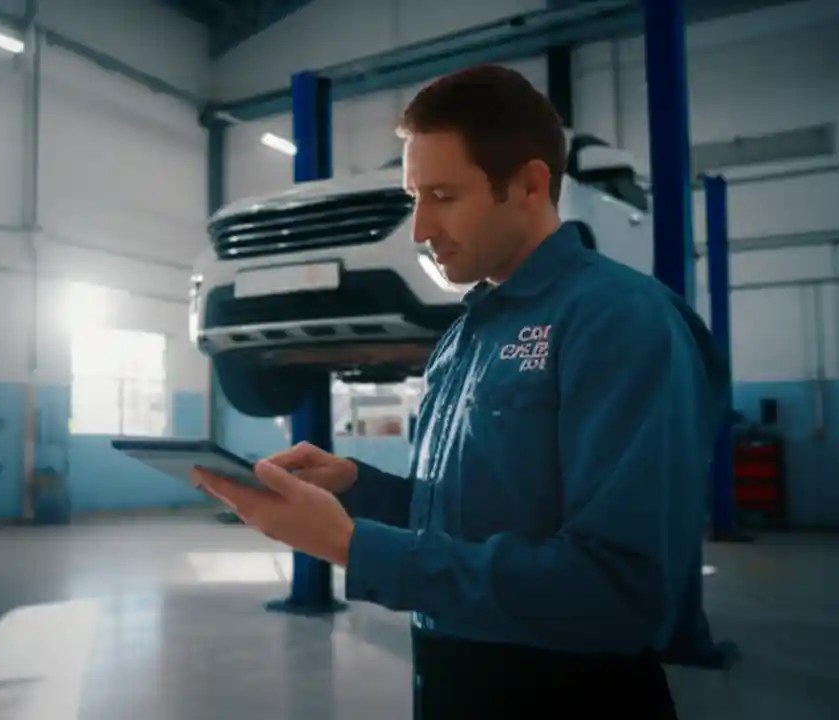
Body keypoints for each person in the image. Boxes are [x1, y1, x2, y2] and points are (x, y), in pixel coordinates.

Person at [193, 63, 731, 719]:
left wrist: (351, 547)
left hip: (571, 694)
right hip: (455, 680)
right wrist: (358, 488)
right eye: (414, 198)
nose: (420, 230)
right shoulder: (464, 333)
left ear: (531, 184)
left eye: (443, 197)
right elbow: (466, 516)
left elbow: (619, 591)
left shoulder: (621, 320)